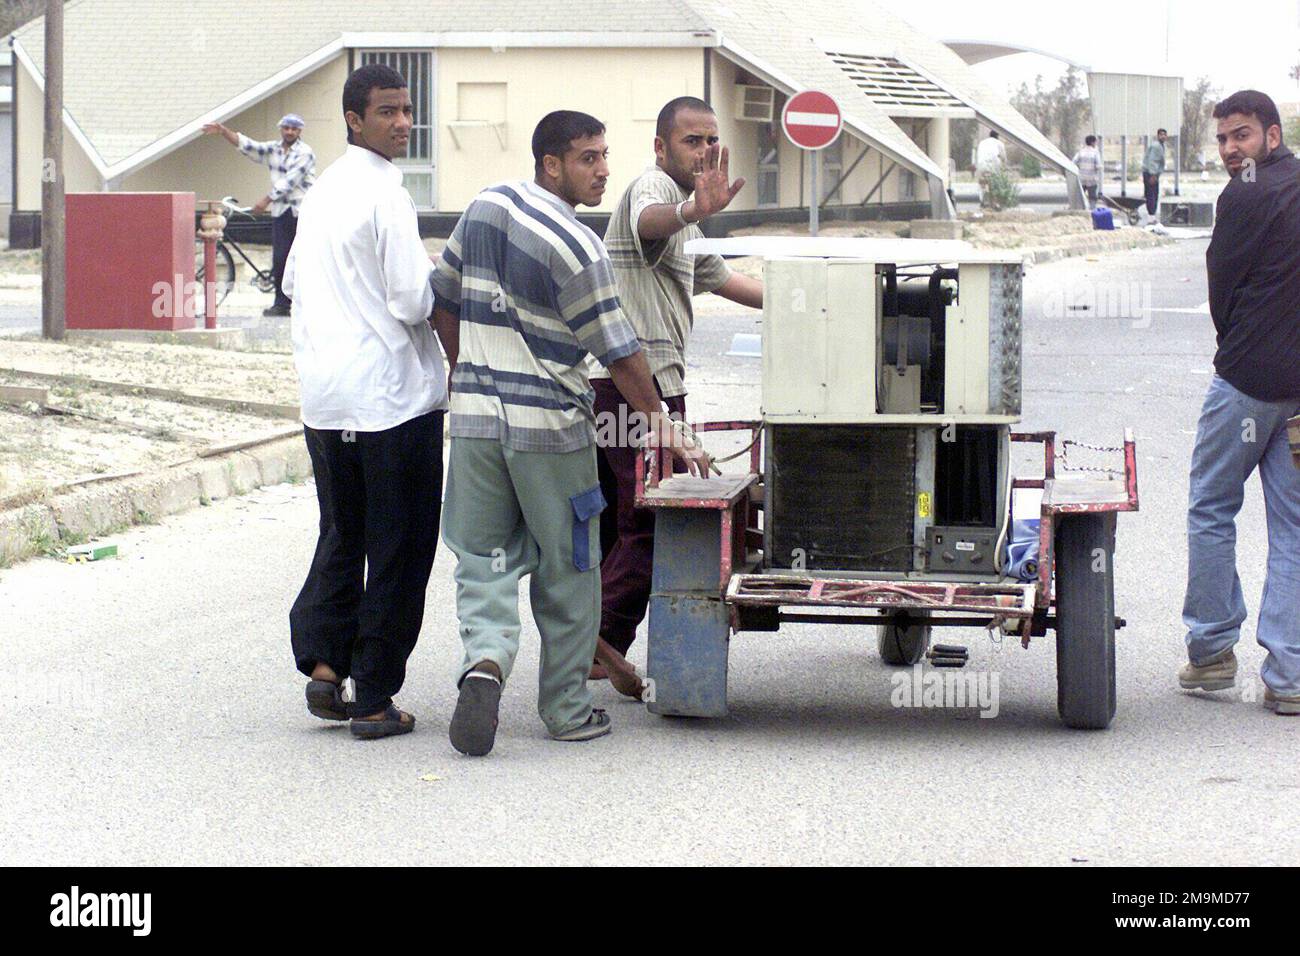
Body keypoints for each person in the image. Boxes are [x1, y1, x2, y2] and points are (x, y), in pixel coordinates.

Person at [431, 110, 709, 756]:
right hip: (550, 433)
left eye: (606, 155)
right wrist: (661, 423)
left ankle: (486, 662)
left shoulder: (483, 208)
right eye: (589, 158)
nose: (605, 170)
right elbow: (620, 351)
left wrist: (462, 372)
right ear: (551, 164)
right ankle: (564, 707)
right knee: (570, 565)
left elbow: (441, 298)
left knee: (485, 560)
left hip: (474, 423)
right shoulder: (577, 246)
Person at [284, 64, 451, 739]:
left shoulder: (322, 190)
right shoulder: (388, 193)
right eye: (387, 112)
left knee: (342, 533)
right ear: (354, 118)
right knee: (401, 544)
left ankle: (326, 664)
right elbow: (413, 299)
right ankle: (375, 696)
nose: (402, 123)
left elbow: (294, 280)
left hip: (326, 400)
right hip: (392, 402)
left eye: (407, 110)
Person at [591, 96, 763, 687]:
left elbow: (737, 282)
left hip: (642, 389)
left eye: (712, 140)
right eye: (693, 141)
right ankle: (599, 643)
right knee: (651, 522)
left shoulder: (689, 228)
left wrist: (822, 299)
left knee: (620, 523)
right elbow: (650, 222)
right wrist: (690, 207)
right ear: (662, 148)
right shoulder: (652, 191)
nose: (706, 151)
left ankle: (591, 640)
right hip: (635, 390)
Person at [1177, 90, 1300, 716]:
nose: (1230, 150)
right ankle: (1291, 676)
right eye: (1223, 139)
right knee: (1296, 526)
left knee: (1210, 507)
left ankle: (1211, 650)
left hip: (1248, 384)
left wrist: (1239, 345)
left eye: (1242, 136)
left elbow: (1220, 287)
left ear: (1271, 137)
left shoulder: (1243, 194)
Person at [203, 113, 316, 317]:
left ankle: (304, 304)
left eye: (294, 129)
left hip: (302, 211)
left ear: (299, 131)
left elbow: (289, 182)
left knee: (302, 258)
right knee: (280, 256)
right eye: (286, 128)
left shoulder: (305, 153)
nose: (289, 132)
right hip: (281, 211)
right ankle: (282, 304)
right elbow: (249, 147)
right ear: (281, 129)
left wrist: (265, 200)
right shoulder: (274, 149)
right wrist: (223, 132)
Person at [975, 129, 1006, 209]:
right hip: (993, 167)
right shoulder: (999, 143)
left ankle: (982, 201)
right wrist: (1004, 167)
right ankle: (995, 204)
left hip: (981, 166)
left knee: (982, 184)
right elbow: (1003, 158)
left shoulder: (982, 143)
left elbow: (978, 155)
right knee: (995, 184)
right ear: (997, 136)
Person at [1141, 128, 1168, 217]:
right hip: (1150, 173)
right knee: (1151, 194)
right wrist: (1153, 175)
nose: (1163, 136)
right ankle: (1151, 215)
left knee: (1154, 194)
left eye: (1164, 135)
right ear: (1158, 136)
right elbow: (1152, 161)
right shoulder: (1157, 146)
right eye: (1161, 135)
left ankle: (1152, 214)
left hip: (1154, 173)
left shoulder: (1161, 146)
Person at [1071, 134, 1103, 205]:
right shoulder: (1095, 152)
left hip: (1081, 178)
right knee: (1092, 197)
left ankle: (1079, 210)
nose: (1095, 144)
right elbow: (1098, 166)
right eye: (1095, 142)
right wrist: (1100, 167)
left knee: (1080, 197)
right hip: (1092, 179)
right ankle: (1092, 211)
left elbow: (1073, 162)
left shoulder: (1081, 152)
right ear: (1092, 142)